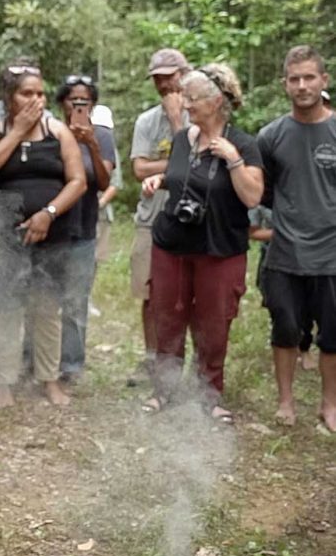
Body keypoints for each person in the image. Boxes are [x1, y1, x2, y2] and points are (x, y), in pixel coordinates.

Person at [140, 63, 263, 422]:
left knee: (213, 324)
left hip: (220, 249)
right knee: (167, 318)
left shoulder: (243, 144)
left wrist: (234, 160)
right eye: (185, 96)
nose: (185, 104)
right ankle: (163, 391)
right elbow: (182, 178)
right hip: (172, 245)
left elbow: (253, 197)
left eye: (192, 98)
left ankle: (209, 396)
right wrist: (160, 181)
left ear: (216, 101)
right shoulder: (183, 140)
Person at [0, 63, 86, 408]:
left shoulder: (59, 131)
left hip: (51, 231)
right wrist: (18, 131)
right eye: (26, 93)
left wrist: (48, 213)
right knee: (7, 310)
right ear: (9, 97)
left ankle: (48, 379)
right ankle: (4, 382)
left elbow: (78, 180)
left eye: (40, 93)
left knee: (47, 308)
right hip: (2, 235)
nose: (36, 99)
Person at [257, 45, 336, 429]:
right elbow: (264, 192)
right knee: (285, 329)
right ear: (285, 84)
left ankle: (329, 404)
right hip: (285, 251)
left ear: (325, 80)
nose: (302, 85)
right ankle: (285, 401)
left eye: (309, 77)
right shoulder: (271, 136)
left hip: (332, 253)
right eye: (295, 79)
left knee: (333, 334)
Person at [128, 48, 192, 386]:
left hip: (192, 221)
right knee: (149, 292)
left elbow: (203, 167)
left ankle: (180, 361)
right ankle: (153, 357)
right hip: (151, 219)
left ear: (186, 73)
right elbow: (139, 168)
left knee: (187, 295)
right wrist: (180, 165)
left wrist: (179, 122)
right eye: (158, 78)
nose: (164, 83)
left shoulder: (202, 116)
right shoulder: (147, 121)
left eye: (170, 75)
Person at [56, 75, 116, 381]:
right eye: (73, 100)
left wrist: (91, 143)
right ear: (61, 102)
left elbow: (105, 182)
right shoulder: (50, 132)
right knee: (40, 297)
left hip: (84, 226)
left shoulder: (103, 137)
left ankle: (71, 365)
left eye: (85, 101)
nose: (78, 105)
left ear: (93, 104)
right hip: (51, 228)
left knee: (76, 301)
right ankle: (34, 358)